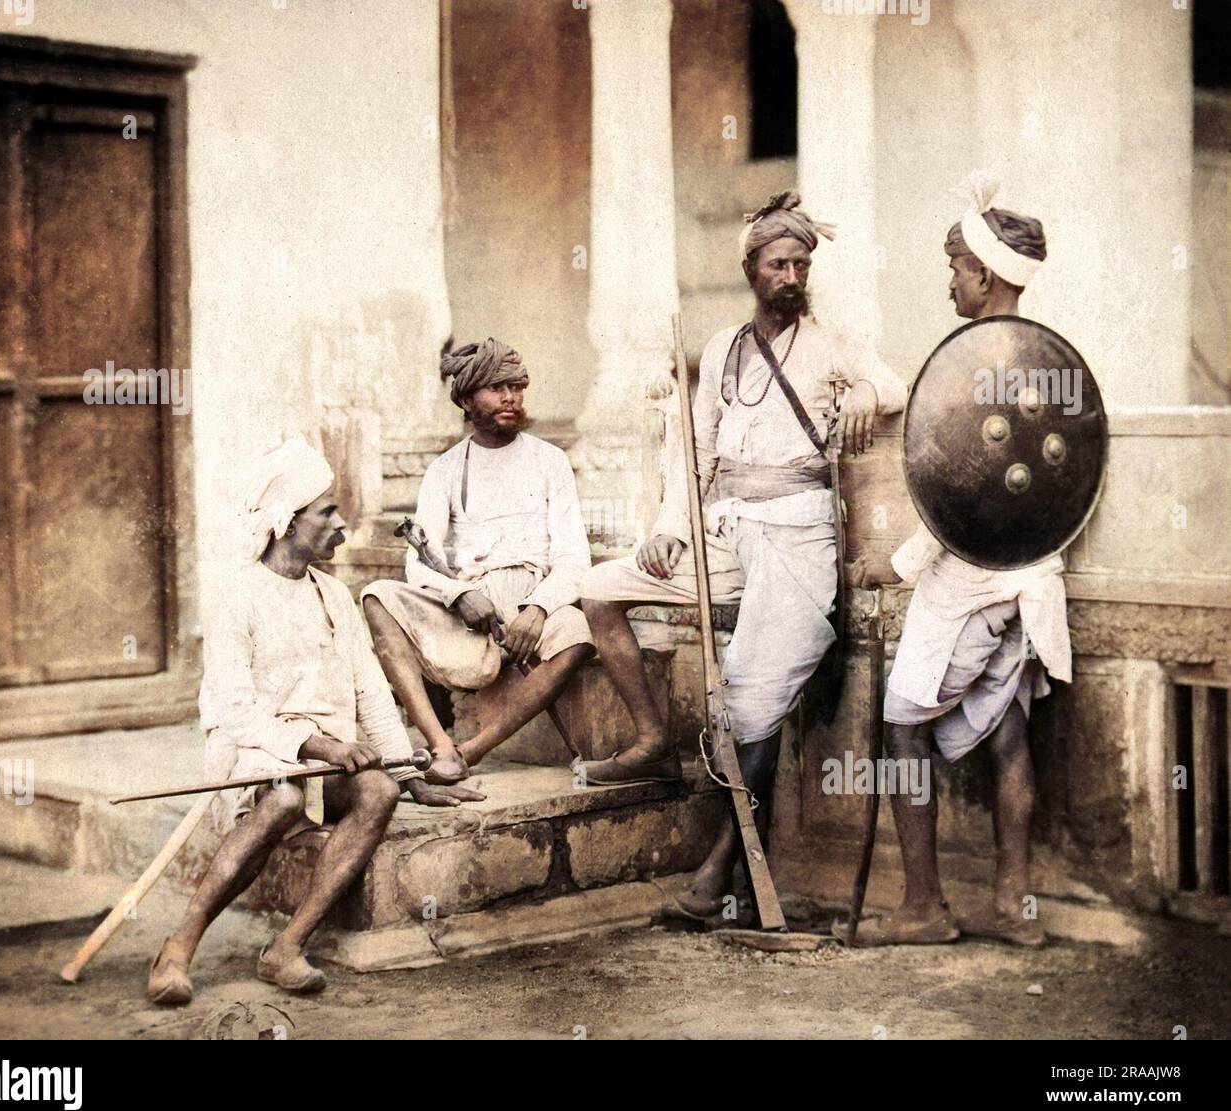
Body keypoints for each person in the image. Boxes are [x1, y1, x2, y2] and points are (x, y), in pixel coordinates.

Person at [578, 192, 907, 919]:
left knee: (751, 706)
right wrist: (671, 525)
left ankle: (724, 867)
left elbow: (896, 384)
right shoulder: (725, 347)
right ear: (751, 269)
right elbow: (695, 452)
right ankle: (652, 738)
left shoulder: (833, 340)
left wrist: (864, 394)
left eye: (800, 263)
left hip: (797, 538)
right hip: (723, 531)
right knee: (599, 589)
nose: (790, 275)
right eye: (776, 263)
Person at [147, 436, 479, 1005]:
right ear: (284, 521)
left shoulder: (333, 595)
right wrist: (317, 745)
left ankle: (287, 947)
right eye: (326, 511)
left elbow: (370, 691)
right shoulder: (238, 596)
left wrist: (405, 771)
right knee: (282, 798)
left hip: (321, 762)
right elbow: (234, 709)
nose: (342, 523)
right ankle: (178, 948)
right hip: (253, 753)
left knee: (376, 790)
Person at [844, 172, 1068, 947]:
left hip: (969, 584)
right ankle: (1013, 907)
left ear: (983, 274)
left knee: (903, 729)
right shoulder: (1043, 361)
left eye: (954, 269)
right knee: (1007, 734)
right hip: (1032, 580)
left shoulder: (976, 360)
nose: (948, 282)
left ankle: (924, 908)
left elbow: (963, 495)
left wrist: (896, 566)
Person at [363, 340, 594, 786]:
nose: (510, 397)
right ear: (467, 399)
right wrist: (461, 593)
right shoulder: (446, 470)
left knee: (580, 634)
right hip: (469, 614)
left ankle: (471, 750)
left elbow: (573, 557)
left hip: (533, 606)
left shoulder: (550, 461)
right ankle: (440, 743)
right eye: (495, 388)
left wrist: (540, 608)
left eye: (516, 386)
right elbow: (420, 564)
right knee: (378, 596)